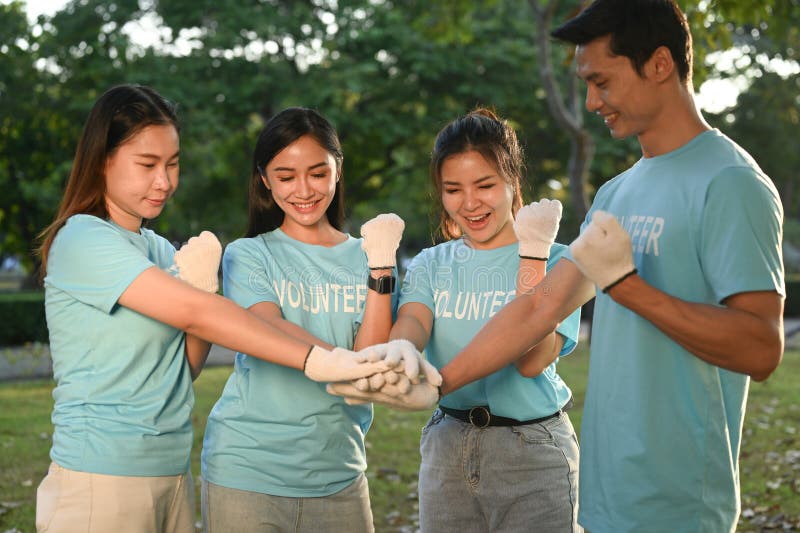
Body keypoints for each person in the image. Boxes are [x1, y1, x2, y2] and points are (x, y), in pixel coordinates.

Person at [390, 2, 784, 532]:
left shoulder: (731, 182)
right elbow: (537, 308)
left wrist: (627, 286)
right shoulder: (616, 193)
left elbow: (761, 348)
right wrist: (438, 384)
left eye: (602, 81)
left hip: (678, 500)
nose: (592, 100)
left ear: (660, 64)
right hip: (602, 490)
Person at [35, 86, 392, 533]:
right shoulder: (82, 239)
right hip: (100, 475)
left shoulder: (162, 251)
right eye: (147, 164)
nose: (164, 181)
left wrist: (202, 287)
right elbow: (197, 314)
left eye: (172, 163)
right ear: (102, 160)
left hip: (170, 470)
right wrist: (319, 358)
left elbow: (182, 368)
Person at [331, 108, 582, 532]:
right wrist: (402, 347)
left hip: (532, 448)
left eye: (485, 185)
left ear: (512, 183)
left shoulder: (557, 260)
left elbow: (532, 361)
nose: (469, 203)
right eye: (453, 189)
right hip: (448, 441)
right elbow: (414, 319)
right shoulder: (432, 261)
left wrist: (534, 256)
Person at [199, 107, 411, 533]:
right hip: (247, 470)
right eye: (285, 176)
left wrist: (382, 268)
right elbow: (268, 327)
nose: (303, 190)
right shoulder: (249, 253)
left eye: (317, 173)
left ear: (337, 170)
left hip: (339, 473)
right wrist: (350, 366)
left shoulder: (368, 256)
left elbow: (371, 359)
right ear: (264, 179)